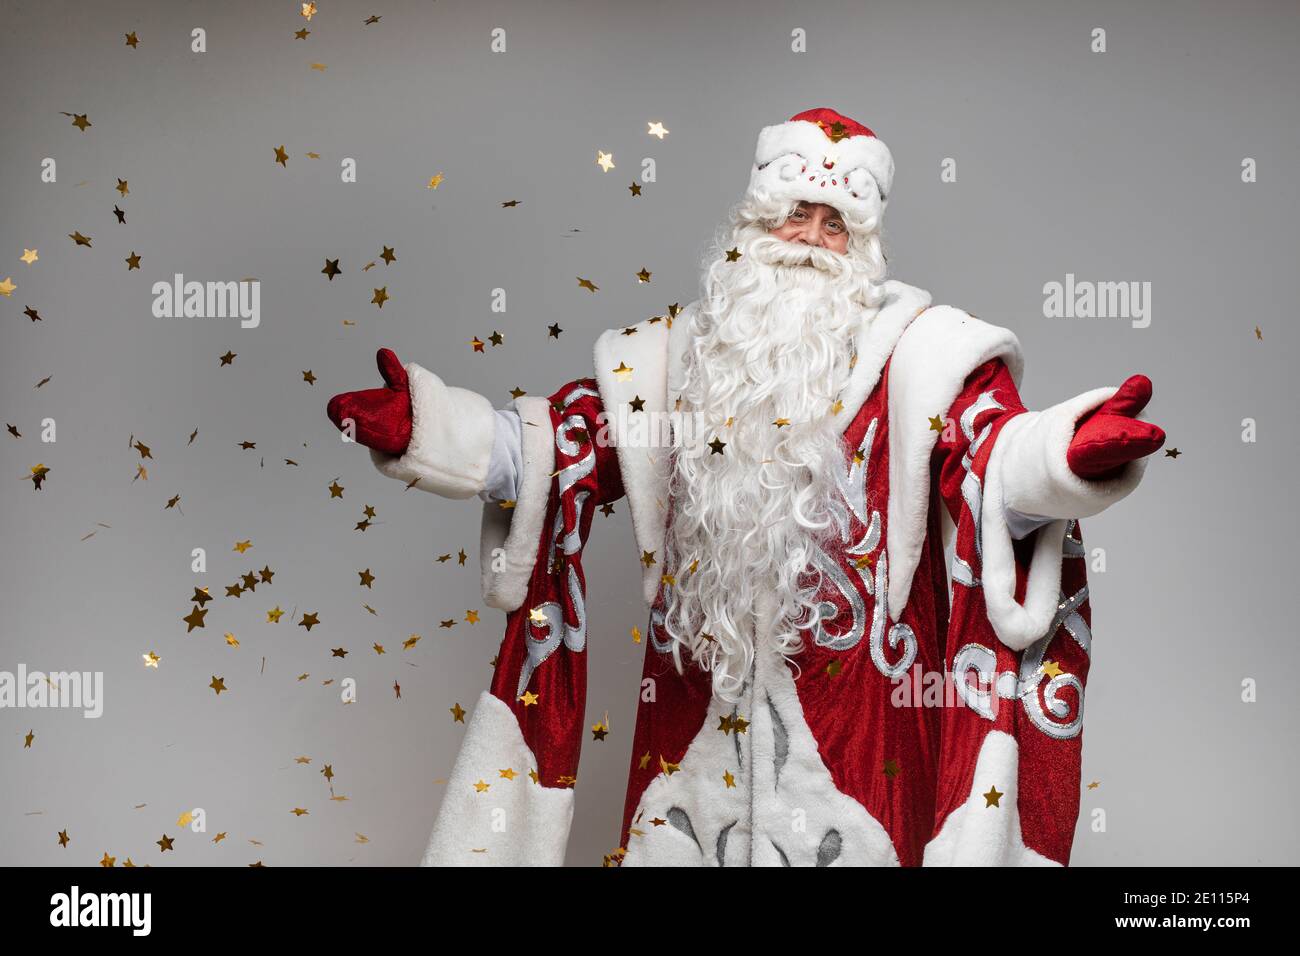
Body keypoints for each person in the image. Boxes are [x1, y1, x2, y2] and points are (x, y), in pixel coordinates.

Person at [326, 107, 1165, 867]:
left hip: (862, 729)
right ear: (754, 223)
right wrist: (434, 433)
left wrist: (1065, 454)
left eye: (834, 223)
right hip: (691, 714)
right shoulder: (677, 357)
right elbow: (566, 444)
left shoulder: (925, 357)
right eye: (794, 213)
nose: (809, 235)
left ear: (863, 244)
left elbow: (992, 451)